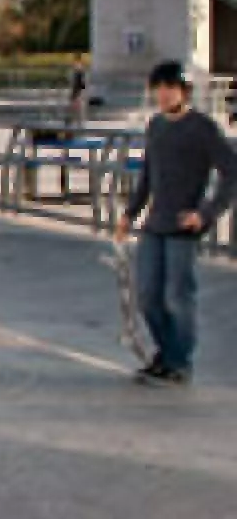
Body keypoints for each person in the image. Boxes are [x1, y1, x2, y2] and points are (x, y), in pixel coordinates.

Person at [113, 61, 237, 386]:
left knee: (178, 297)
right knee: (148, 296)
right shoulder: (156, 126)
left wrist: (206, 213)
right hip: (155, 223)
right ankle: (166, 354)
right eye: (160, 88)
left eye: (171, 88)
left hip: (185, 226)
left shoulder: (203, 128)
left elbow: (231, 173)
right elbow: (148, 177)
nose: (165, 94)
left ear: (184, 91)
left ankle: (179, 362)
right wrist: (129, 214)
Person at [68, 57, 90, 130]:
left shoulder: (80, 74)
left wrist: (81, 94)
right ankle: (74, 121)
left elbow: (82, 85)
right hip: (76, 93)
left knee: (78, 108)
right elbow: (74, 84)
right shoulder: (76, 74)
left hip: (78, 93)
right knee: (75, 107)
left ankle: (79, 122)